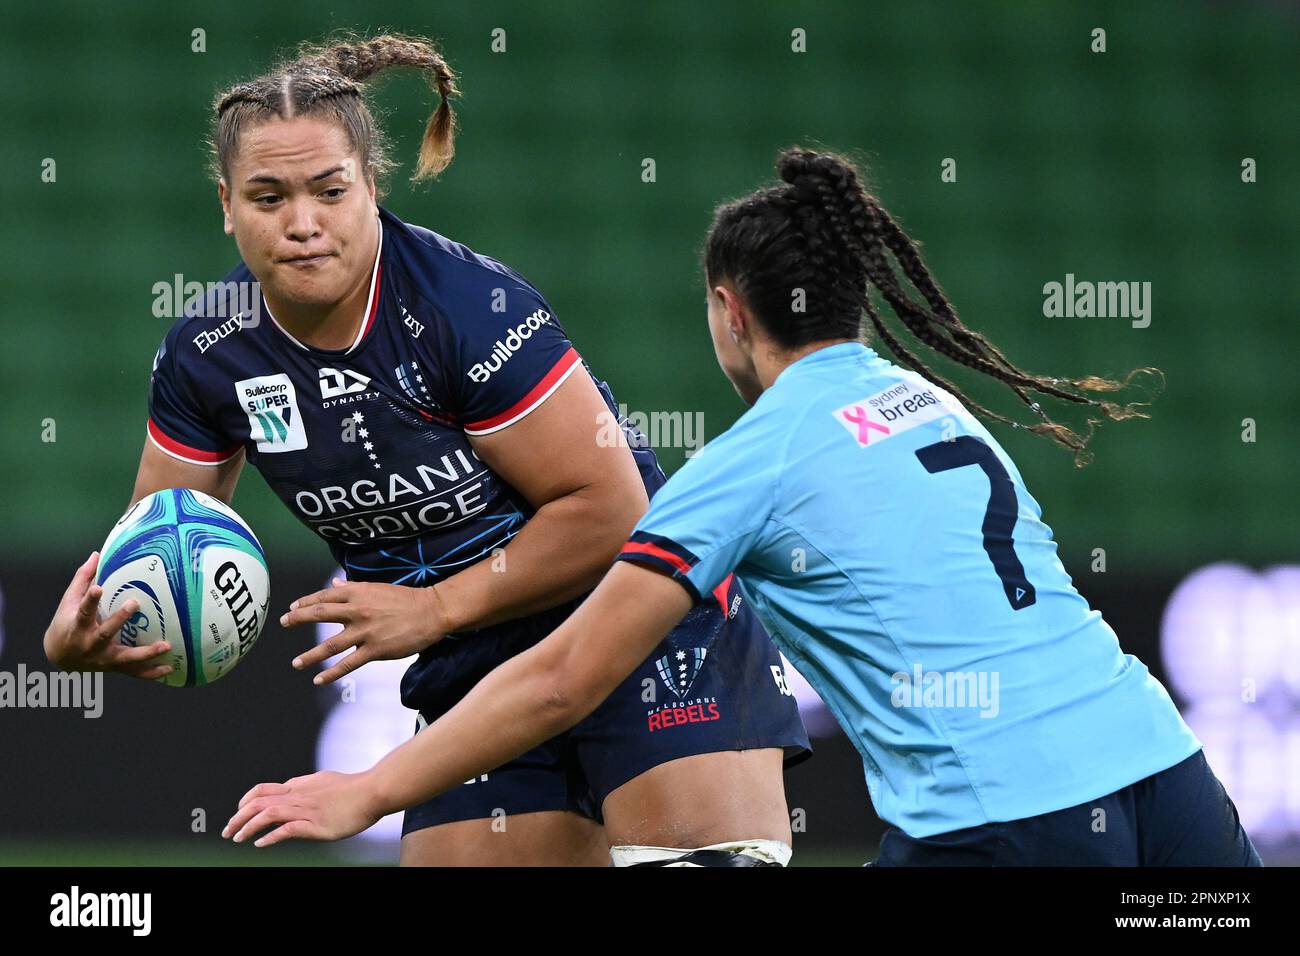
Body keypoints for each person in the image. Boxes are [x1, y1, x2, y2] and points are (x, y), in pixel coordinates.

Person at [224, 147, 1262, 866]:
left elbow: (561, 680)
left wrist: (369, 788)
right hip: (1166, 772)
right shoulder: (933, 404)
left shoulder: (751, 459)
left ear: (729, 308)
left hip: (1001, 816)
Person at [42, 34, 809, 868]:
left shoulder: (464, 309)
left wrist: (434, 609)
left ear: (371, 187)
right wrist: (85, 639)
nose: (302, 224)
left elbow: (614, 511)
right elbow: (159, 539)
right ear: (226, 204)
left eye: (329, 191)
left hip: (641, 621)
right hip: (477, 673)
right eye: (268, 197)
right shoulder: (209, 354)